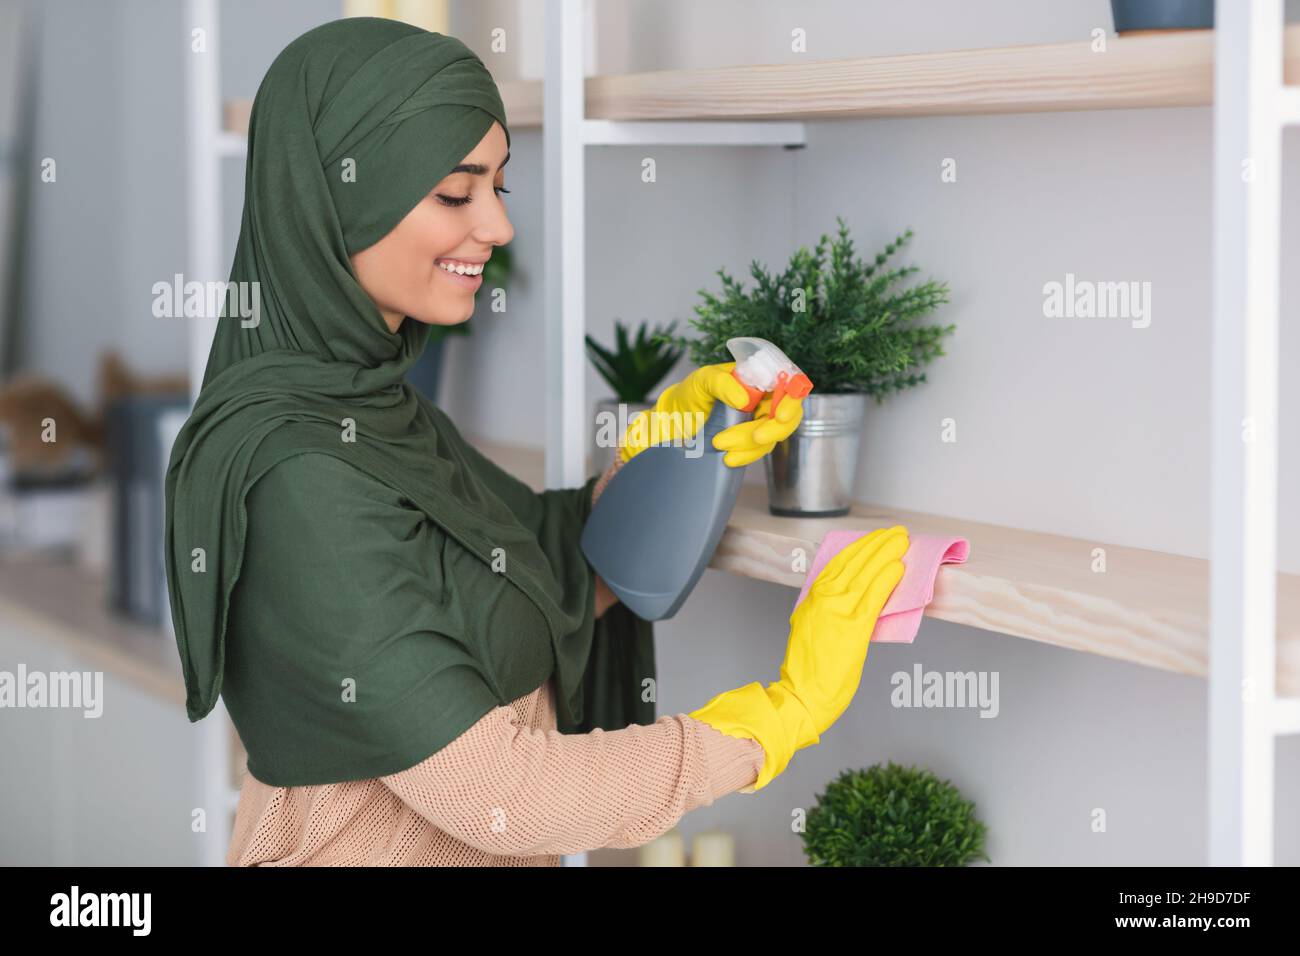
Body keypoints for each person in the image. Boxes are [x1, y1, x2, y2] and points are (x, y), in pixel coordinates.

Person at [162, 17, 907, 867]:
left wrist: (679, 435)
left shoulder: (371, 410)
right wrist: (776, 717)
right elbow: (510, 799)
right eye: (455, 192)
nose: (498, 227)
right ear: (338, 198)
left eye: (499, 189)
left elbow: (547, 569)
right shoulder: (299, 475)